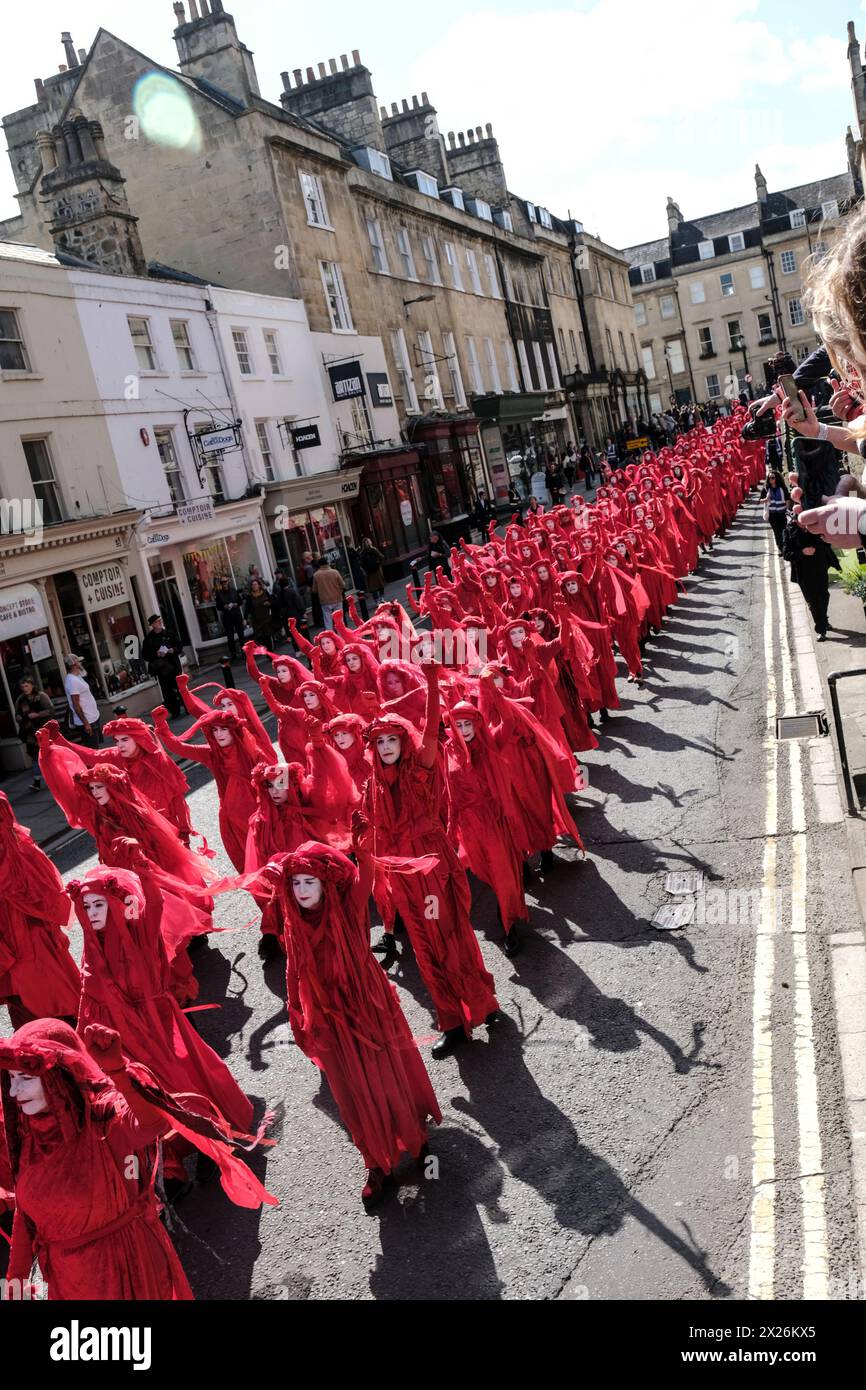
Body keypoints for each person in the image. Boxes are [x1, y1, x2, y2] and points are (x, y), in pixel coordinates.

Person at [0, 1019, 276, 1301]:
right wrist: (15, 1284)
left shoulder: (103, 1118)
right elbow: (30, 1207)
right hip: (68, 1283)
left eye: (25, 1078)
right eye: (10, 1078)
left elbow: (148, 1124)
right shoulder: (30, 1131)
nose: (13, 1092)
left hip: (128, 1270)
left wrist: (118, 1071)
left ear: (60, 1076)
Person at [251, 843, 441, 1206]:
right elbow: (293, 968)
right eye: (295, 884)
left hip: (368, 1008)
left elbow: (366, 878)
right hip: (327, 1018)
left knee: (387, 1076)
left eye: (310, 882)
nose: (302, 890)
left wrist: (365, 849)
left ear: (325, 884)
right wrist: (295, 1012)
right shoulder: (293, 920)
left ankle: (415, 1141)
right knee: (349, 1092)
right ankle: (375, 1161)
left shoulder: (349, 909)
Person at [0, 791, 80, 1031]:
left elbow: (48, 897)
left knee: (51, 997)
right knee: (24, 1004)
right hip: (9, 940)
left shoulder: (23, 852)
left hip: (33, 938)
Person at [140, 616, 183, 720]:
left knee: (180, 688)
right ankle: (174, 711)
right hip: (162, 669)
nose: (159, 623)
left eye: (160, 621)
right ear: (152, 625)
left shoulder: (169, 633)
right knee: (167, 692)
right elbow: (145, 655)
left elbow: (179, 646)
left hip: (173, 665)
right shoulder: (149, 639)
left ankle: (188, 707)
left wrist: (173, 650)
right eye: (157, 622)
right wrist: (156, 654)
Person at [15, 674, 53, 789]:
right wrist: (19, 718)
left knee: (50, 754)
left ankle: (56, 776)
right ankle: (37, 782)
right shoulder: (20, 700)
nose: (25, 689)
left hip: (43, 730)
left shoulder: (41, 696)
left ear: (32, 685)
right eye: (22, 687)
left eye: (26, 686)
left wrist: (38, 714)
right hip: (30, 733)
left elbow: (51, 710)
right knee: (35, 757)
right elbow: (17, 714)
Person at [63, 653, 101, 748]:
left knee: (97, 749)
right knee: (93, 751)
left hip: (92, 717)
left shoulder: (77, 676)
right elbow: (76, 704)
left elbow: (85, 673)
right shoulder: (72, 681)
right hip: (87, 720)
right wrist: (86, 723)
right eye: (78, 661)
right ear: (74, 664)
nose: (81, 663)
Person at [214, 577, 245, 660]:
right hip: (227, 617)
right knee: (230, 637)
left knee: (241, 634)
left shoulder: (233, 590)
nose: (224, 583)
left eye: (225, 581)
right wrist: (224, 607)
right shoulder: (219, 594)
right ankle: (233, 654)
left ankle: (244, 652)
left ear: (228, 582)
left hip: (236, 615)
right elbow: (218, 606)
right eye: (222, 582)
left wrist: (236, 604)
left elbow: (240, 601)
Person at [311, 556, 345, 631]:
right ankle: (341, 636)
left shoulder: (316, 575)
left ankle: (330, 638)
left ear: (319, 565)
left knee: (328, 621)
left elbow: (314, 590)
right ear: (327, 563)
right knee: (339, 619)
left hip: (325, 600)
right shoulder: (335, 572)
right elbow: (343, 585)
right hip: (337, 598)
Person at [761, 470, 789, 554]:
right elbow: (761, 500)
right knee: (776, 532)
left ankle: (785, 547)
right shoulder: (766, 489)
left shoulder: (782, 488)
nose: (771, 479)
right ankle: (780, 549)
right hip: (772, 515)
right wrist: (765, 499)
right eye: (769, 478)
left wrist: (787, 510)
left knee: (783, 531)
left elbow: (787, 499)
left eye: (773, 478)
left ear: (776, 478)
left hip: (782, 513)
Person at [244, 577, 273, 649]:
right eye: (252, 585)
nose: (254, 586)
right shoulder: (250, 596)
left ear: (259, 585)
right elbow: (247, 608)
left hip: (265, 618)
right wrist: (245, 618)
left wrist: (269, 603)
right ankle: (266, 650)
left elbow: (272, 601)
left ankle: (270, 653)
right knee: (260, 637)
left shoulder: (265, 592)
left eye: (255, 584)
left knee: (267, 636)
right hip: (256, 620)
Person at [358, 538, 386, 602]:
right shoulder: (373, 549)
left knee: (373, 587)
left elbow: (361, 564)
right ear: (370, 542)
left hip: (369, 572)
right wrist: (378, 563)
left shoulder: (362, 553)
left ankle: (377, 601)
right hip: (376, 570)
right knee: (380, 585)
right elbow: (382, 556)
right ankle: (382, 598)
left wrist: (364, 570)